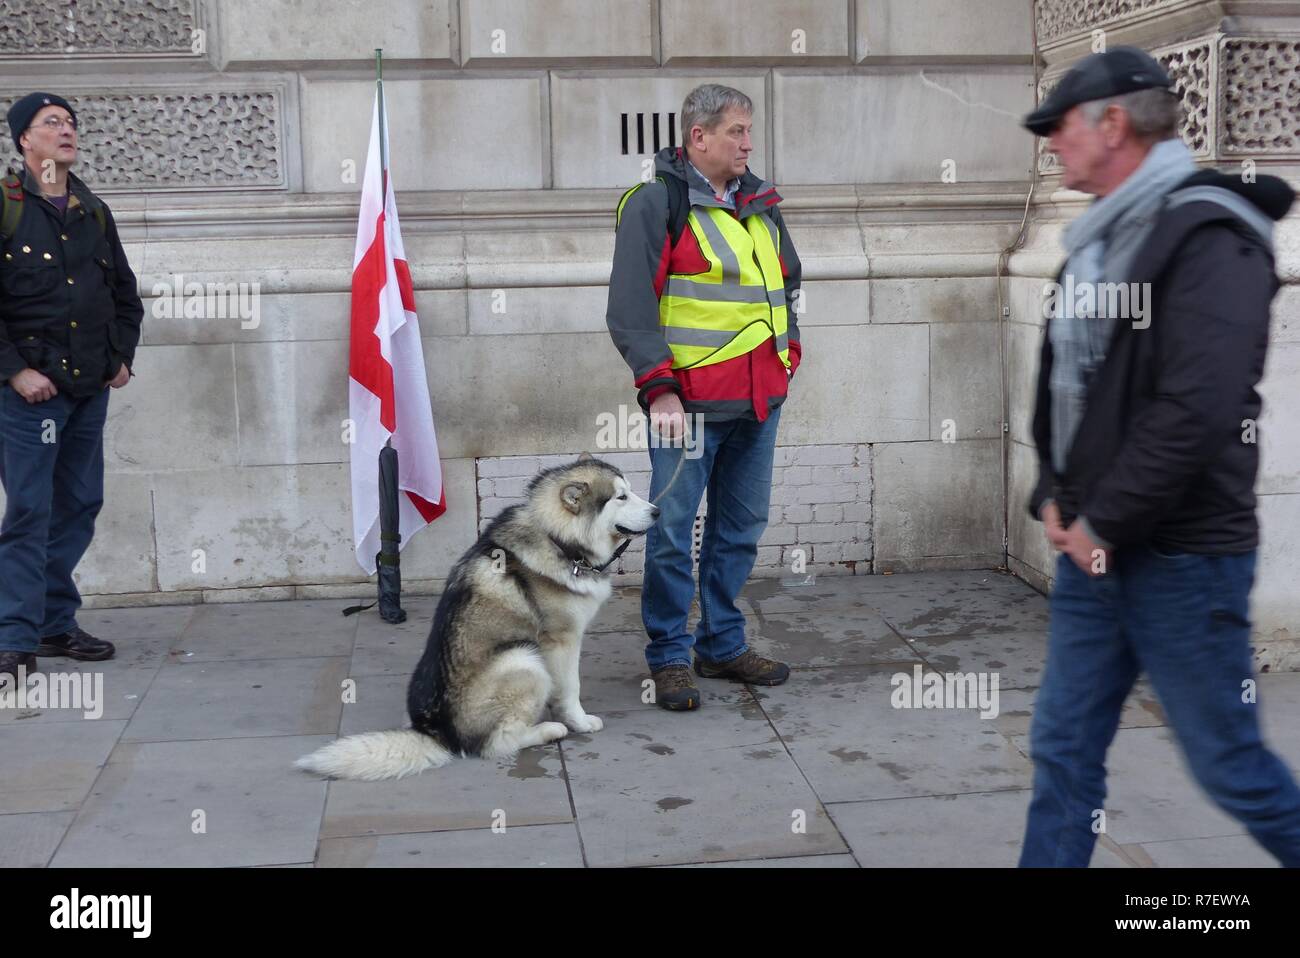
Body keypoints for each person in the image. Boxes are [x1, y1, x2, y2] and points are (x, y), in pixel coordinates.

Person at [1018, 48, 1300, 866]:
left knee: (1229, 767)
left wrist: (1106, 518)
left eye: (1059, 125)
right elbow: (1068, 388)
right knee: (1062, 750)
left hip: (1180, 557)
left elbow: (1199, 407)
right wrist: (1053, 489)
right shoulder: (1101, 237)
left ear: (1115, 122)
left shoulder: (1212, 234)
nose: (1049, 144)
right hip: (1092, 554)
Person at [605, 84, 803, 711]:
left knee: (740, 527)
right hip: (685, 407)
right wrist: (658, 390)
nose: (748, 143)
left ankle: (720, 642)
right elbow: (631, 307)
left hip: (759, 401)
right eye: (737, 131)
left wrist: (788, 356)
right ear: (699, 137)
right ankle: (669, 655)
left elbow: (786, 287)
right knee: (670, 534)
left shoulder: (761, 204)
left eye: (749, 131)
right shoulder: (655, 203)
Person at [0, 92, 143, 684]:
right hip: (30, 392)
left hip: (89, 388)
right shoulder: (7, 207)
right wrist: (14, 370)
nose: (66, 130)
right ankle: (13, 638)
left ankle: (56, 624)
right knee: (31, 510)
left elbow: (125, 295)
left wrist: (121, 357)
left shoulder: (92, 208)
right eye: (50, 123)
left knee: (79, 505)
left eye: (70, 122)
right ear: (23, 140)